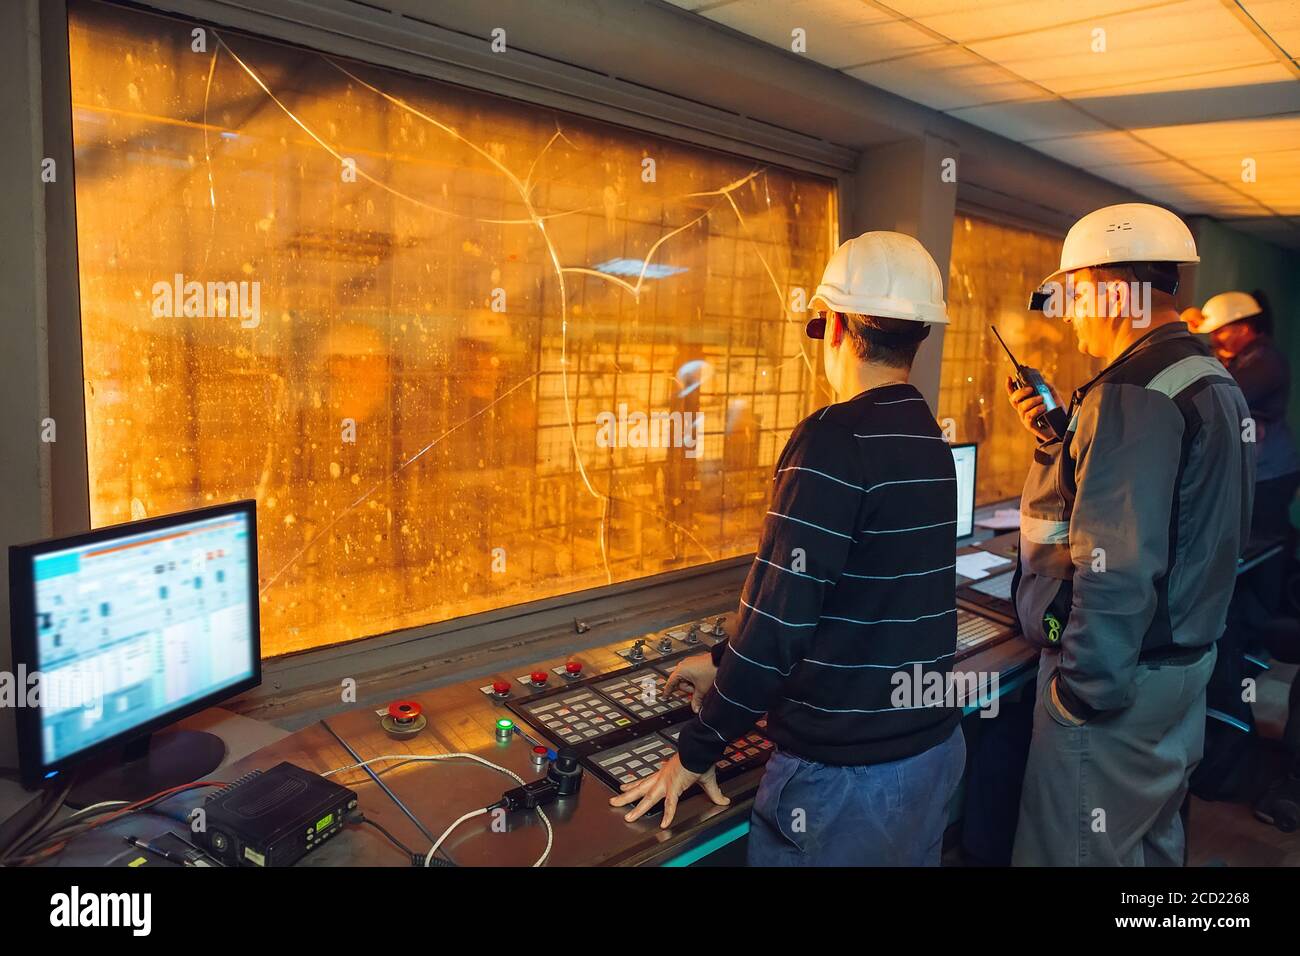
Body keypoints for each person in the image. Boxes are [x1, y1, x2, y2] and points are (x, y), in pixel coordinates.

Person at [610, 231, 965, 865]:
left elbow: (780, 619)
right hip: (931, 757)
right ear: (918, 336)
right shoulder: (928, 439)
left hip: (845, 785)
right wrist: (724, 660)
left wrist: (697, 750)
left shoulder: (834, 440)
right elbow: (856, 592)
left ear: (832, 327)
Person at [1005, 202, 1253, 866]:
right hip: (1182, 672)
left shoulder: (1133, 392)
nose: (1070, 313)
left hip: (1117, 687)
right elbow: (1179, 516)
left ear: (1113, 291)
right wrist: (1062, 446)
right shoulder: (1207, 377)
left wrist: (1081, 693)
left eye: (1073, 295)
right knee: (1150, 845)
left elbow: (1115, 563)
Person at [1192, 291, 1300, 544]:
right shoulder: (1239, 357)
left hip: (1270, 474)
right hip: (1257, 470)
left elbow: (1226, 394)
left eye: (1221, 331)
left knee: (1266, 543)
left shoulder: (1266, 360)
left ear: (1244, 328)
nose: (1214, 338)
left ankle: (1278, 581)